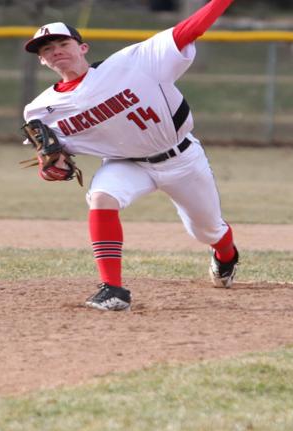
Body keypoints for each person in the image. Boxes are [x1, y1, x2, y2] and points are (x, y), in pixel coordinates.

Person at [23, 1, 241, 312]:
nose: (55, 50)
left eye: (62, 43)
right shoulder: (40, 110)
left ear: (82, 47)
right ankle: (112, 289)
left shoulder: (133, 62)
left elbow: (189, 30)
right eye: (46, 49)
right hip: (125, 164)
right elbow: (52, 161)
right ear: (43, 60)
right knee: (101, 197)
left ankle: (226, 255)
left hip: (181, 159)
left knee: (207, 230)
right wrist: (51, 170)